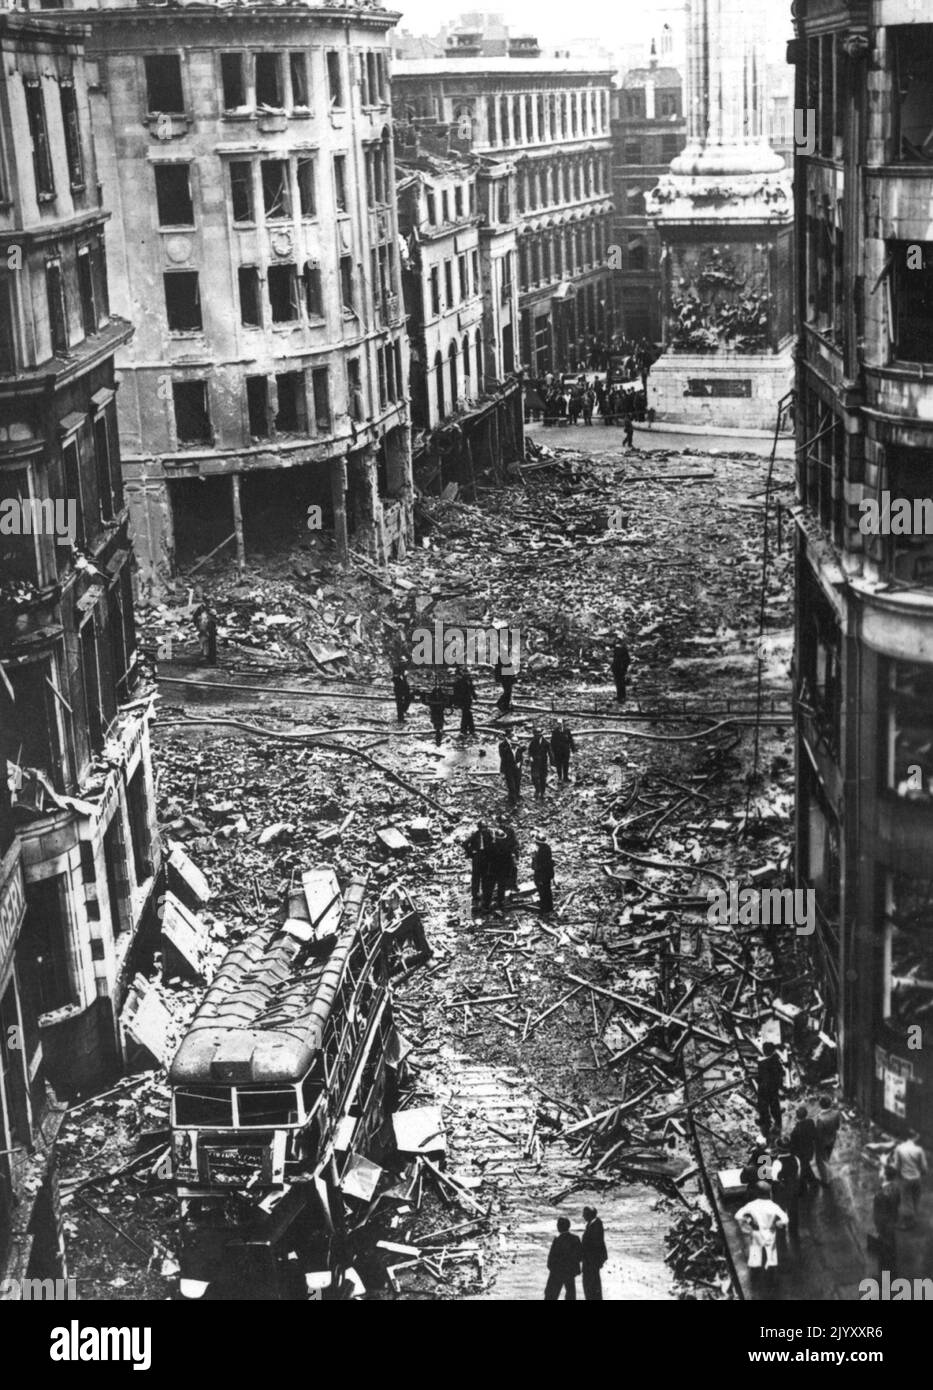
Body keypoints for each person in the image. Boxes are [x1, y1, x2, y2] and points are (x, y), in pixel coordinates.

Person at [735, 1183, 789, 1293]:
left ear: (757, 1193)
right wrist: (778, 1223)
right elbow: (785, 1218)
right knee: (771, 1254)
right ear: (769, 1193)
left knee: (755, 1254)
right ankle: (772, 1278)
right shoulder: (773, 1205)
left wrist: (749, 1221)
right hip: (770, 1231)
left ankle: (755, 1281)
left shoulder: (752, 1205)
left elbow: (738, 1215)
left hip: (757, 1232)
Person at [892, 1130, 927, 1227]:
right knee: (915, 1199)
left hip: (905, 1178)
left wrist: (898, 1176)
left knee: (906, 1200)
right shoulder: (919, 1149)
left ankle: (906, 1223)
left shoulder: (899, 1149)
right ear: (914, 1138)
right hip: (917, 1178)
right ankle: (914, 1220)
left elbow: (897, 1166)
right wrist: (921, 1173)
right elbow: (924, 1167)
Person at [544, 1216, 582, 1301]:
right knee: (571, 1294)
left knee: (550, 1294)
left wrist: (552, 1269)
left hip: (557, 1272)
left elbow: (551, 1259)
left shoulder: (557, 1240)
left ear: (560, 1227)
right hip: (570, 1271)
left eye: (558, 1225)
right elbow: (580, 1256)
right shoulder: (575, 1239)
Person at [873, 1164, 901, 1277]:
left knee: (884, 1253)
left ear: (884, 1175)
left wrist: (878, 1226)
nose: (879, 1171)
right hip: (892, 1222)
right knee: (891, 1250)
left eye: (881, 1170)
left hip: (884, 1226)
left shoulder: (881, 1194)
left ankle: (885, 1278)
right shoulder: (895, 1188)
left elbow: (879, 1214)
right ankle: (893, 1273)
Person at [770, 1150, 801, 1244]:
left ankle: (781, 1231)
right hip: (793, 1188)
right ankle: (793, 1230)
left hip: (781, 1189)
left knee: (780, 1209)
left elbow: (774, 1177)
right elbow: (798, 1173)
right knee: (793, 1209)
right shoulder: (796, 1158)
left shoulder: (777, 1162)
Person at [789, 1104, 819, 1195]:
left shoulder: (795, 1131)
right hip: (809, 1150)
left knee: (802, 1169)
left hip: (800, 1154)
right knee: (806, 1166)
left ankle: (803, 1188)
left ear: (797, 1116)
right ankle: (812, 1181)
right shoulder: (810, 1122)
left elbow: (793, 1146)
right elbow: (814, 1136)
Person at [755, 1041, 784, 1136]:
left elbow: (763, 1076)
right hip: (769, 1088)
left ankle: (772, 1123)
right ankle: (767, 1121)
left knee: (770, 1106)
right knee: (768, 1106)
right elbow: (781, 1074)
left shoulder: (765, 1062)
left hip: (767, 1089)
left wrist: (758, 1079)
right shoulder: (775, 1059)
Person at [814, 1094, 842, 1186]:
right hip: (832, 1139)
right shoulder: (836, 1113)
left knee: (821, 1161)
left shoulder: (820, 1119)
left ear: (820, 1105)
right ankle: (828, 1173)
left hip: (822, 1143)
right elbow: (837, 1127)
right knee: (827, 1157)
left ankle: (825, 1180)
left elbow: (818, 1135)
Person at [580, 1206, 608, 1301]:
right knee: (592, 1286)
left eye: (584, 1213)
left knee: (591, 1286)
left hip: (591, 1262)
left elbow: (594, 1246)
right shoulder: (593, 1224)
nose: (583, 1215)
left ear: (589, 1214)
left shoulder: (595, 1225)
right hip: (590, 1261)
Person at [463, 821, 492, 904]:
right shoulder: (475, 835)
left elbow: (492, 844)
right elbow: (465, 844)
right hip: (477, 857)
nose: (483, 829)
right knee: (476, 876)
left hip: (486, 857)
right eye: (482, 828)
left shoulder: (488, 834)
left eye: (484, 828)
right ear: (479, 828)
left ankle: (484, 893)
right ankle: (475, 895)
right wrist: (471, 853)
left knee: (485, 876)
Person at [532, 833, 555, 914]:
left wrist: (534, 857)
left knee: (543, 891)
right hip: (548, 874)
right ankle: (549, 907)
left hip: (541, 874)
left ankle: (544, 908)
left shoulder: (540, 851)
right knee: (547, 890)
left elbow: (536, 866)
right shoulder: (547, 848)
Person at [452, 666, 477, 737]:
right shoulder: (459, 682)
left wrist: (474, 696)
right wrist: (456, 702)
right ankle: (469, 730)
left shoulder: (468, 680)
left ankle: (465, 731)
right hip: (462, 700)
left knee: (466, 714)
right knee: (467, 714)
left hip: (468, 700)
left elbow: (471, 688)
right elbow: (456, 693)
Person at [527, 727, 551, 802]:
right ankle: (537, 790)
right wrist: (530, 757)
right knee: (534, 777)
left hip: (543, 763)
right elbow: (530, 751)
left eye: (539, 735)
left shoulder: (546, 743)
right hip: (535, 763)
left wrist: (553, 763)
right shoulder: (532, 742)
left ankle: (542, 793)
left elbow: (550, 753)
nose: (537, 736)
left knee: (542, 778)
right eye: (536, 735)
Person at [498, 732, 523, 804]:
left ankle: (516, 796)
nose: (515, 746)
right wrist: (502, 771)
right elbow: (503, 761)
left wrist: (520, 763)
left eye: (516, 744)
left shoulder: (519, 750)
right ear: (511, 744)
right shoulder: (506, 750)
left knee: (517, 784)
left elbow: (521, 758)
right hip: (509, 770)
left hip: (517, 770)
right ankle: (513, 801)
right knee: (511, 785)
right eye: (513, 744)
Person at [192, 601, 218, 665]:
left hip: (209, 630)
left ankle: (210, 659)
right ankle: (207, 657)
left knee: (209, 644)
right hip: (204, 630)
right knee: (205, 643)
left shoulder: (211, 612)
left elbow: (214, 620)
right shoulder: (201, 611)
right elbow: (195, 618)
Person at [425, 682, 448, 747]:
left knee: (438, 723)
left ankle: (438, 730)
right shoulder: (433, 695)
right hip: (436, 711)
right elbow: (428, 701)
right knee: (437, 723)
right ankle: (438, 731)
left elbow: (446, 701)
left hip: (438, 711)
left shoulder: (440, 695)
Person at [612, 638, 630, 704]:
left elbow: (627, 660)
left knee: (620, 683)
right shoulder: (620, 649)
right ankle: (621, 696)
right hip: (618, 668)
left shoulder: (619, 650)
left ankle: (621, 697)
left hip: (619, 668)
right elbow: (627, 660)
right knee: (619, 683)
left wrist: (624, 667)